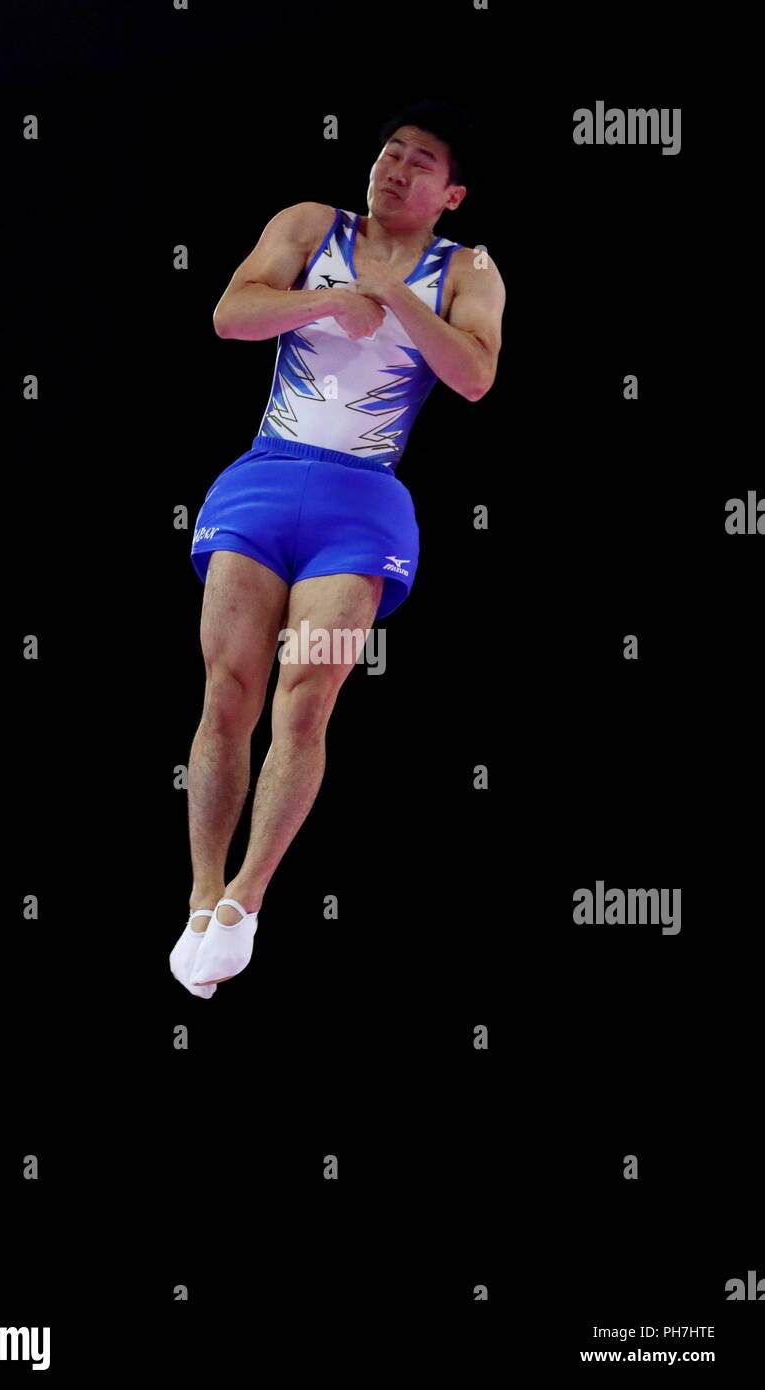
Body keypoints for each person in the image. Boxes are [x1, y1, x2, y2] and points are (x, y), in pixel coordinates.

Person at [169, 98, 506, 997]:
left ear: (452, 194)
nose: (393, 167)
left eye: (418, 161)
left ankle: (247, 898)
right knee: (227, 691)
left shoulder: (467, 268)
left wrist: (396, 298)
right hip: (264, 482)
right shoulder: (311, 224)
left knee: (306, 698)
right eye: (388, 151)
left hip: (362, 511)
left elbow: (476, 376)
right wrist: (332, 296)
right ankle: (202, 895)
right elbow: (230, 315)